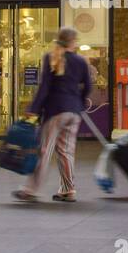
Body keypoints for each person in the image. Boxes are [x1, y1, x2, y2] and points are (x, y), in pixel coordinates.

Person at [13, 27, 92, 204]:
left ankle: (30, 190)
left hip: (56, 111)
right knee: (66, 152)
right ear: (73, 42)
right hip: (74, 113)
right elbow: (88, 87)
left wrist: (33, 108)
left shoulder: (51, 57)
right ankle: (68, 190)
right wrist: (77, 101)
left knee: (44, 151)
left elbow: (44, 88)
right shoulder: (81, 61)